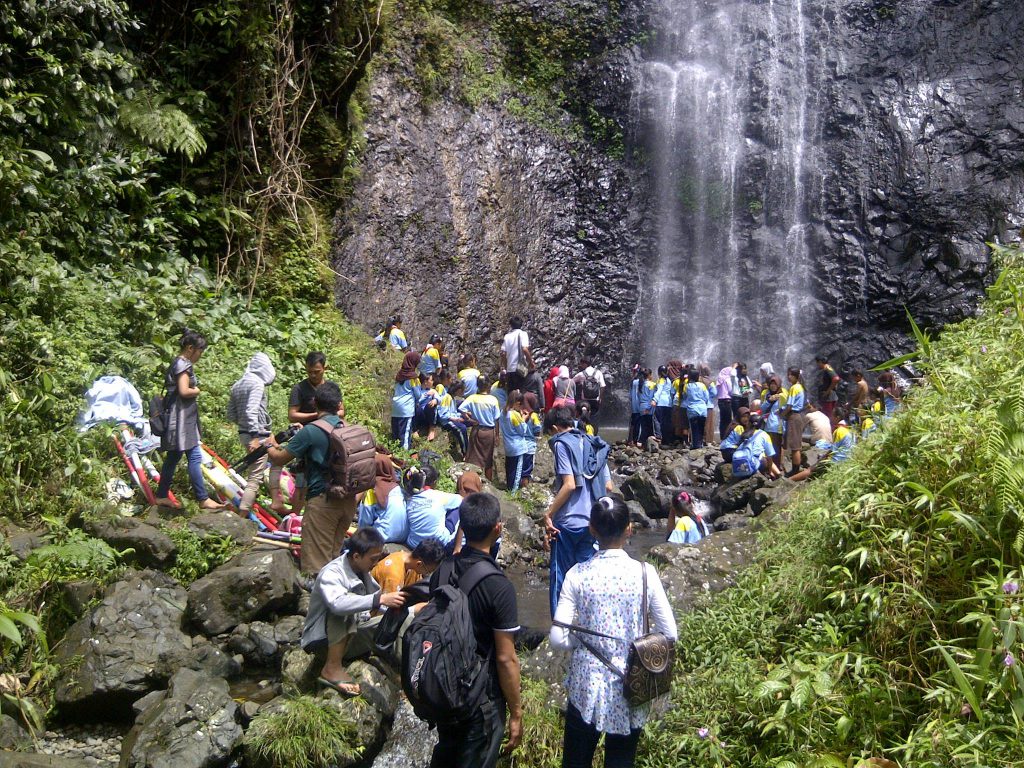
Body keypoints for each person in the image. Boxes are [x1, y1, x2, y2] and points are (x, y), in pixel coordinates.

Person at [549, 496, 677, 768]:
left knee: (576, 761)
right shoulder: (646, 573)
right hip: (632, 684)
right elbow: (669, 634)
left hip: (586, 686)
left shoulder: (577, 574)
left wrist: (581, 642)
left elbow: (558, 638)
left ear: (592, 529)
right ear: (629, 529)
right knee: (621, 761)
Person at [426, 493, 523, 767]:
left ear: (462, 529)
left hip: (445, 686)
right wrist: (516, 713)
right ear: (498, 528)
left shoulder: (442, 570)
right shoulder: (499, 586)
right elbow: (506, 658)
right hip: (480, 698)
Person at [300, 527, 407, 696]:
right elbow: (338, 604)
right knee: (342, 608)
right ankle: (332, 668)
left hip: (352, 634)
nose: (376, 563)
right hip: (323, 642)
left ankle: (406, 671)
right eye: (373, 559)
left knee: (399, 619)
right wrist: (379, 600)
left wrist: (400, 609)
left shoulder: (362, 571)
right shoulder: (332, 573)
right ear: (356, 556)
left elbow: (375, 606)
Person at [268, 382, 355, 575]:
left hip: (323, 502)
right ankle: (337, 600)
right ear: (339, 405)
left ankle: (314, 603)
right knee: (334, 560)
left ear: (315, 403)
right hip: (348, 502)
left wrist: (268, 445)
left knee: (316, 567)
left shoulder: (311, 431)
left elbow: (279, 458)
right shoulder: (348, 428)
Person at [543, 405, 614, 617]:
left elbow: (569, 484)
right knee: (587, 576)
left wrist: (548, 514)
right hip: (592, 523)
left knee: (561, 578)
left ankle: (559, 628)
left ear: (555, 428)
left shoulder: (561, 444)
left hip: (567, 523)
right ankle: (589, 622)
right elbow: (608, 486)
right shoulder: (591, 441)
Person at [154, 329, 223, 510]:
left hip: (182, 418)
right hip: (181, 419)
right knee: (194, 456)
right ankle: (202, 498)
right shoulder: (182, 364)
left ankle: (162, 495)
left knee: (173, 457)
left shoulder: (178, 363)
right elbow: (184, 391)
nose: (200, 355)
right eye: (200, 351)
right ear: (191, 348)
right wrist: (197, 390)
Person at [226, 352, 284, 515]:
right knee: (255, 477)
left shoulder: (238, 384)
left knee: (278, 460)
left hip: (246, 433)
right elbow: (251, 410)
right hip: (257, 436)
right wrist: (254, 437)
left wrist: (245, 428)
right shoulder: (257, 384)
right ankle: (243, 513)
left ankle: (276, 501)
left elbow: (231, 414)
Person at [287, 351, 340, 514]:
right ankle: (295, 517)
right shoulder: (300, 389)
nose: (313, 375)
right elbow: (292, 415)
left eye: (316, 372)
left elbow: (342, 410)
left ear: (325, 368)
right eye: (309, 372)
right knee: (302, 479)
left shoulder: (330, 388)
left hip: (328, 438)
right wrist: (316, 415)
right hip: (306, 437)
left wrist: (323, 417)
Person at [403, 465, 463, 553]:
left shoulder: (409, 498)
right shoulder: (439, 496)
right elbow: (461, 499)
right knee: (457, 508)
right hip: (439, 543)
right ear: (434, 483)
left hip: (414, 544)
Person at [371, 538, 446, 598]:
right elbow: (387, 607)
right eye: (428, 571)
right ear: (419, 564)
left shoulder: (409, 562)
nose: (427, 574)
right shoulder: (393, 576)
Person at [459, 378, 502, 481]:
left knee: (472, 457)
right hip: (489, 432)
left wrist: (470, 419)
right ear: (488, 386)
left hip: (477, 429)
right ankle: (488, 482)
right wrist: (497, 435)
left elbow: (461, 409)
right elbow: (496, 419)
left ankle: (471, 480)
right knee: (488, 460)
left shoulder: (472, 398)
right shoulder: (493, 400)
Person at [500, 390, 542, 493]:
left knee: (510, 470)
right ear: (517, 403)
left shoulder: (503, 412)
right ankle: (513, 493)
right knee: (517, 471)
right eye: (521, 404)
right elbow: (522, 431)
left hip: (508, 446)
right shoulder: (514, 414)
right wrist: (524, 418)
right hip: (517, 447)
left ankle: (509, 489)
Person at [356, 479, 409, 545]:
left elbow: (364, 523)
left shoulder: (371, 490)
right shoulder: (398, 488)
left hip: (383, 536)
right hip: (403, 536)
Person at [730, 414, 781, 479]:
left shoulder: (744, 433)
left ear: (749, 423)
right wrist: (769, 471)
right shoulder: (764, 434)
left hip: (740, 465)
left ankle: (778, 474)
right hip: (755, 465)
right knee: (765, 458)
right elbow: (770, 456)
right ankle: (777, 475)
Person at [392, 351, 421, 450]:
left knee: (396, 434)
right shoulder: (413, 378)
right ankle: (404, 458)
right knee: (405, 435)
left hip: (395, 407)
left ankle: (395, 455)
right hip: (406, 409)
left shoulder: (399, 375)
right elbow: (418, 395)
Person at [780, 367, 806, 477]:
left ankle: (795, 470)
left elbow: (790, 406)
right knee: (796, 443)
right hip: (798, 416)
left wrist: (782, 414)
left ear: (795, 376)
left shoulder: (794, 388)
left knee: (795, 445)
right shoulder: (800, 387)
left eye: (790, 374)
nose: (788, 376)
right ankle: (795, 468)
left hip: (794, 416)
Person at [500, 317, 535, 394]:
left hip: (510, 370)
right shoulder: (523, 334)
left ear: (511, 325)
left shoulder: (507, 336)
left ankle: (511, 406)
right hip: (520, 369)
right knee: (521, 393)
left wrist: (506, 366)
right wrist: (531, 362)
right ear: (521, 325)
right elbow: (525, 349)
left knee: (511, 394)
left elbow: (503, 353)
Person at [681, 366, 712, 449]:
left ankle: (695, 445)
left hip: (692, 409)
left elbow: (684, 397)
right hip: (702, 409)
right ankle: (700, 444)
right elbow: (706, 397)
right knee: (701, 428)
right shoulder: (702, 385)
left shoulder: (687, 386)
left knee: (694, 429)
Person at [760, 375, 786, 470]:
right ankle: (769, 469)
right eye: (771, 384)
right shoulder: (766, 394)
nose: (773, 386)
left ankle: (777, 469)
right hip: (766, 425)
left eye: (775, 384)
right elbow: (762, 408)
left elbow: (788, 407)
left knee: (776, 449)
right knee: (767, 449)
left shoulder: (783, 395)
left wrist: (782, 410)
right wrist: (769, 400)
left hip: (777, 426)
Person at [652, 366, 675, 444]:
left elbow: (659, 390)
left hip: (661, 402)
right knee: (666, 421)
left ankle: (658, 435)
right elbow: (672, 392)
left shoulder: (661, 380)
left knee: (657, 419)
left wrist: (654, 400)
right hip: (668, 403)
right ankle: (667, 438)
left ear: (658, 372)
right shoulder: (669, 380)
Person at [815, 355, 841, 425]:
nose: (817, 365)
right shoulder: (827, 369)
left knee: (828, 416)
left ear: (820, 362)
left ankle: (830, 432)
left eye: (817, 363)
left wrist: (828, 391)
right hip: (829, 398)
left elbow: (836, 378)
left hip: (829, 399)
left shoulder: (828, 368)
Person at [716, 365, 735, 441]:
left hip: (720, 401)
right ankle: (727, 436)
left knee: (722, 420)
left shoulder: (719, 380)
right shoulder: (727, 379)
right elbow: (731, 390)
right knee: (728, 420)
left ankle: (722, 436)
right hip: (727, 401)